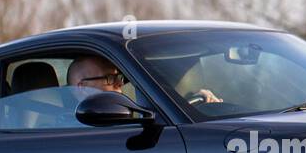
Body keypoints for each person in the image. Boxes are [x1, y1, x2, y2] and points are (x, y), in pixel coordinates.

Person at [69, 54, 222, 103]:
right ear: (82, 87)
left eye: (118, 77)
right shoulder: (72, 132)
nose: (119, 83)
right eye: (110, 78)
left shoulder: (121, 118)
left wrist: (197, 101)